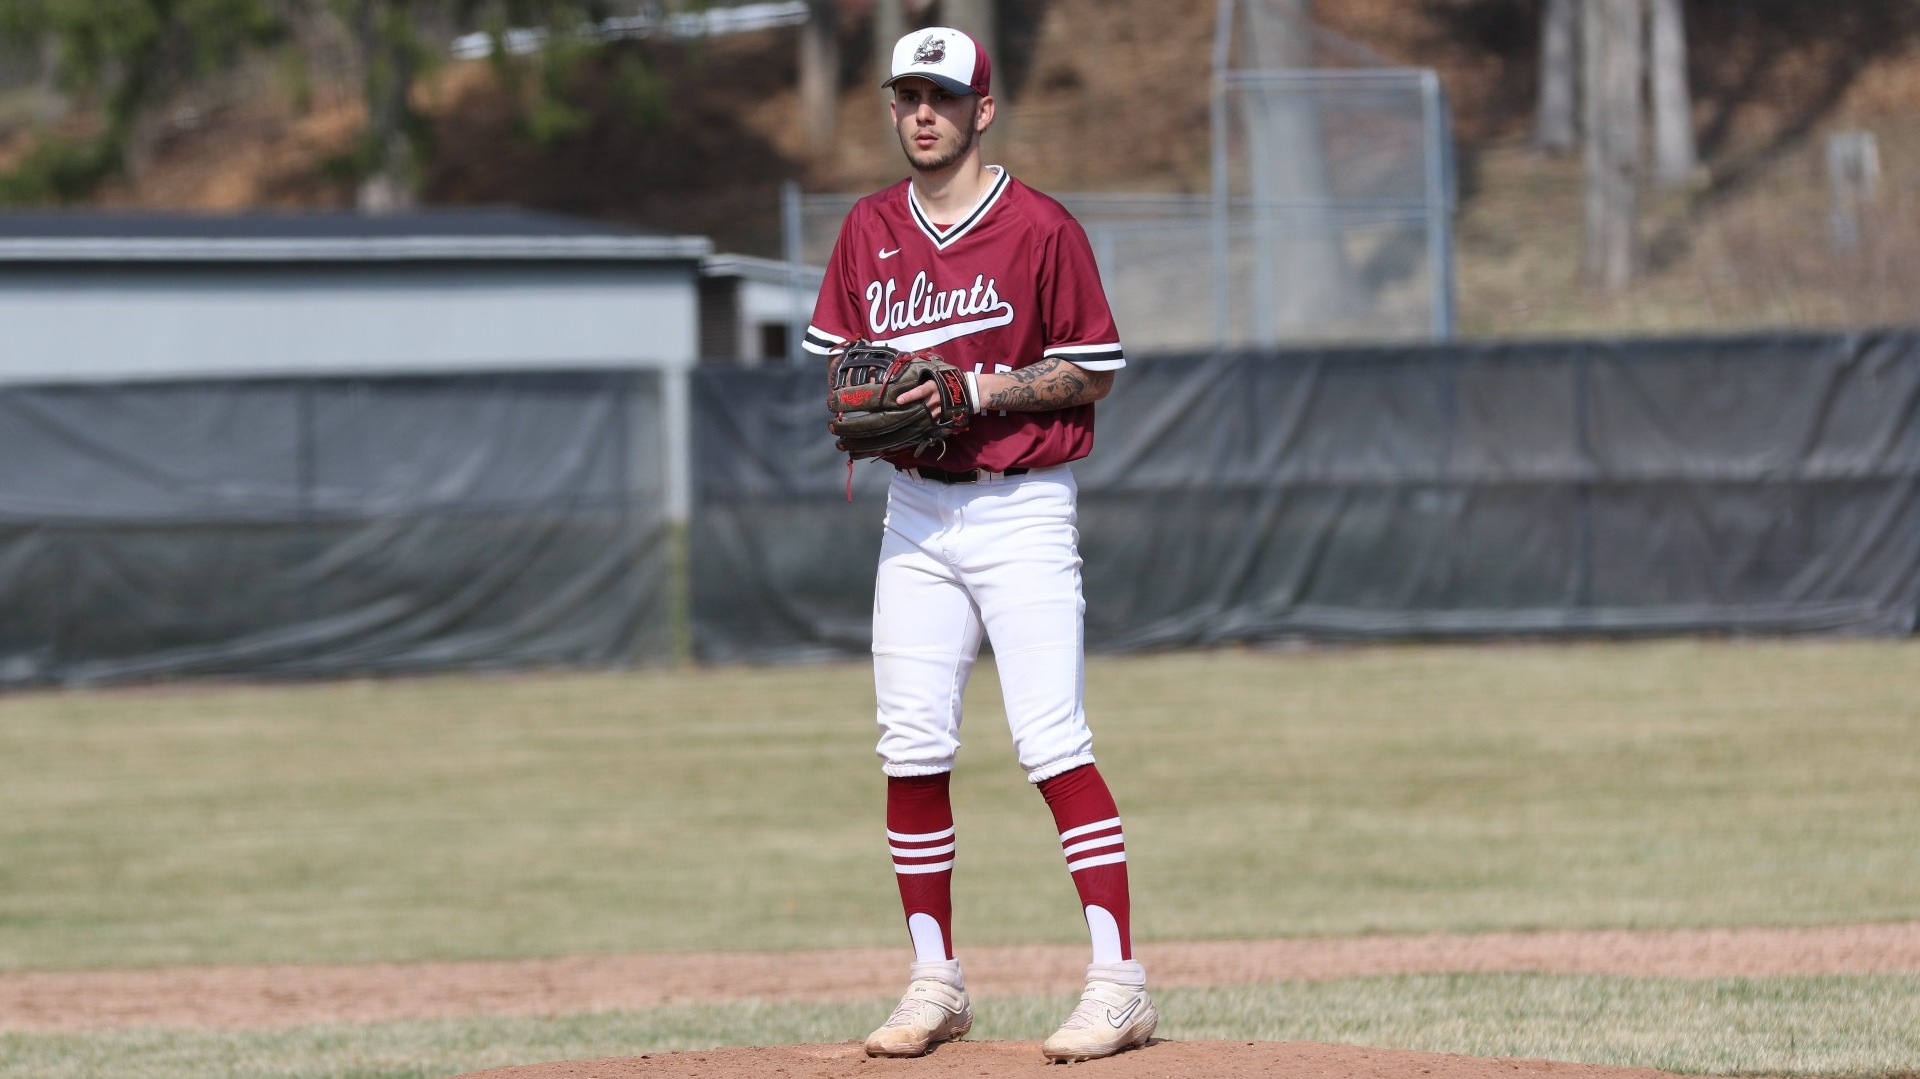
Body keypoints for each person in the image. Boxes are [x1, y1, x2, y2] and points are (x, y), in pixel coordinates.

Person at [803, 25, 1156, 1064]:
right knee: (910, 744)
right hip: (914, 509)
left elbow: (1092, 369)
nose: (922, 111)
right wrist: (869, 404)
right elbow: (841, 374)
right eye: (908, 93)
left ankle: (1118, 981)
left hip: (1020, 505)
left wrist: (978, 387)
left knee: (1053, 741)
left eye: (943, 95)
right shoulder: (869, 228)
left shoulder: (1040, 227)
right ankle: (934, 979)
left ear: (982, 110)